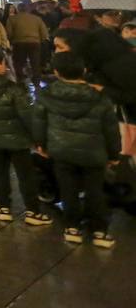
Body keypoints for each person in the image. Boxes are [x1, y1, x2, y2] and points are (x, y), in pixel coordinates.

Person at [36, 51, 120, 248]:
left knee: (68, 190)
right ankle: (99, 231)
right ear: (84, 70)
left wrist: (41, 144)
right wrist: (114, 154)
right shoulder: (100, 98)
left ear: (56, 72)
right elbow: (111, 129)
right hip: (94, 153)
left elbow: (39, 122)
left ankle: (72, 228)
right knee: (95, 191)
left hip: (61, 151)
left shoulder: (47, 95)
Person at [0, 45, 51, 227]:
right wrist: (39, 140)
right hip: (18, 140)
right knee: (26, 176)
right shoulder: (12, 89)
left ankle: (3, 207)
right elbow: (28, 116)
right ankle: (33, 211)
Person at [6, 3, 48, 89]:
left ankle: (20, 80)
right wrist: (41, 39)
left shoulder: (12, 19)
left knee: (19, 63)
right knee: (35, 63)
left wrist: (11, 41)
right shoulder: (37, 18)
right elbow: (44, 32)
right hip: (34, 43)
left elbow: (9, 33)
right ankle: (36, 81)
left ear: (18, 9)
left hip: (19, 43)